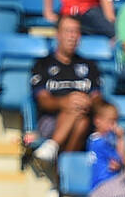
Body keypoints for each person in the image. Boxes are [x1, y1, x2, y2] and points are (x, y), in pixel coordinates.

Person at [30, 14, 102, 164]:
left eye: (76, 32)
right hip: (50, 119)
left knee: (81, 122)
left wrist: (85, 102)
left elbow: (97, 97)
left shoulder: (90, 65)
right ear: (58, 35)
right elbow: (43, 100)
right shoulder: (42, 64)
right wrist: (65, 102)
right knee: (78, 119)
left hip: (83, 115)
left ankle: (53, 148)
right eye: (68, 31)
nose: (72, 36)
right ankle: (62, 173)